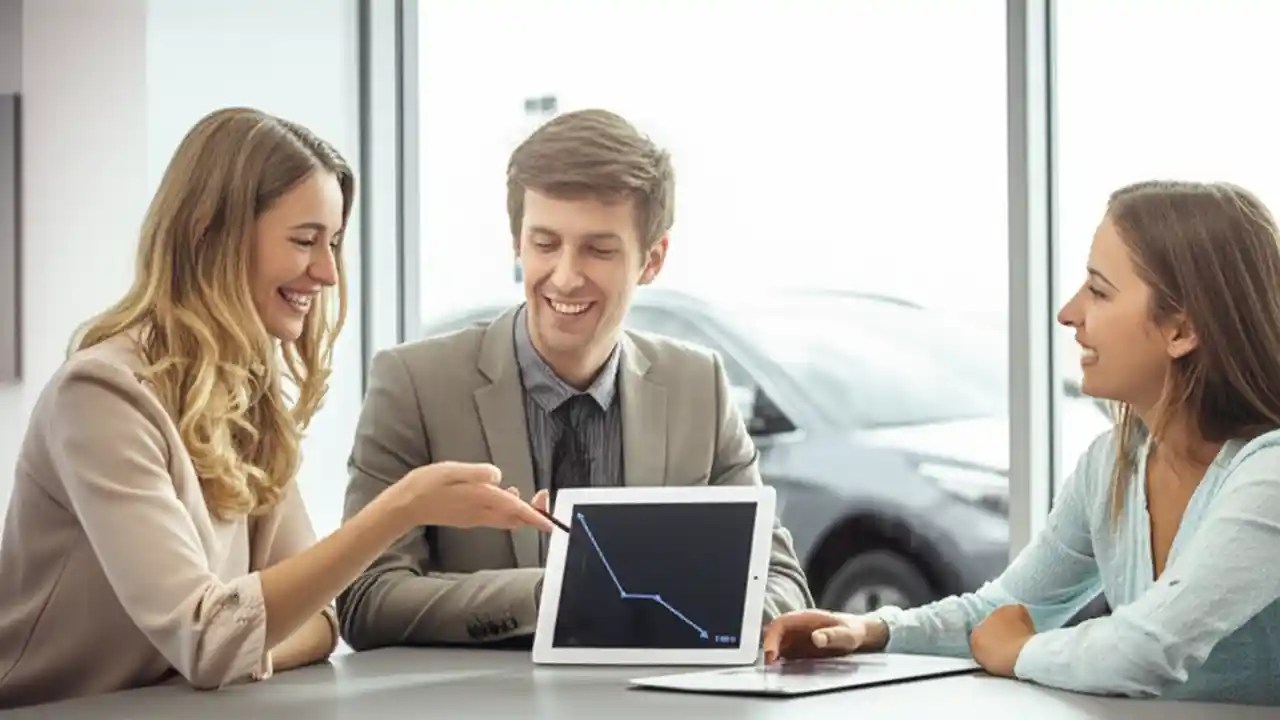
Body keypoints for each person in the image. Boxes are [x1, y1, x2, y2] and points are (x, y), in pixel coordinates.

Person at [0, 107, 552, 709]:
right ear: (210, 232)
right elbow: (211, 640)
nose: (327, 272)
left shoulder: (247, 395)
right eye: (305, 240)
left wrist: (238, 650)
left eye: (334, 243)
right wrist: (400, 508)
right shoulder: (100, 398)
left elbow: (318, 618)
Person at [762, 180, 1280, 706]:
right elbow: (1005, 610)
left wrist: (1020, 653)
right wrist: (871, 631)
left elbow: (1145, 650)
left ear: (1181, 330)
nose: (1069, 313)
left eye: (1099, 291)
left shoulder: (1270, 473)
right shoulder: (1112, 465)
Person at [336, 108, 813, 649]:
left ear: (652, 260)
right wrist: (559, 594)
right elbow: (365, 598)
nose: (565, 275)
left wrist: (697, 601)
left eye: (599, 249)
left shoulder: (697, 385)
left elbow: (781, 581)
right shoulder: (414, 383)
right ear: (517, 242)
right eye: (544, 244)